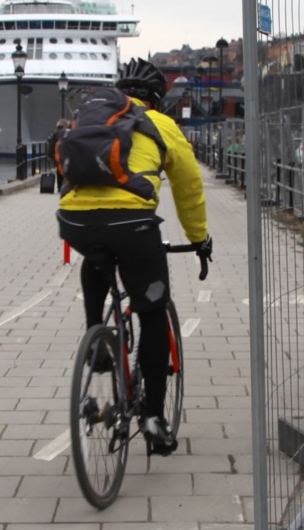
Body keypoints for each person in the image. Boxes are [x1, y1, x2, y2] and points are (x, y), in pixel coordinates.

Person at [56, 58, 211, 456]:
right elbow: (189, 187)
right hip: (134, 226)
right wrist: (199, 239)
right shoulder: (162, 125)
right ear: (158, 99)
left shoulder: (91, 117)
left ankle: (97, 336)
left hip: (73, 221)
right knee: (152, 312)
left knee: (95, 254)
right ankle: (154, 419)